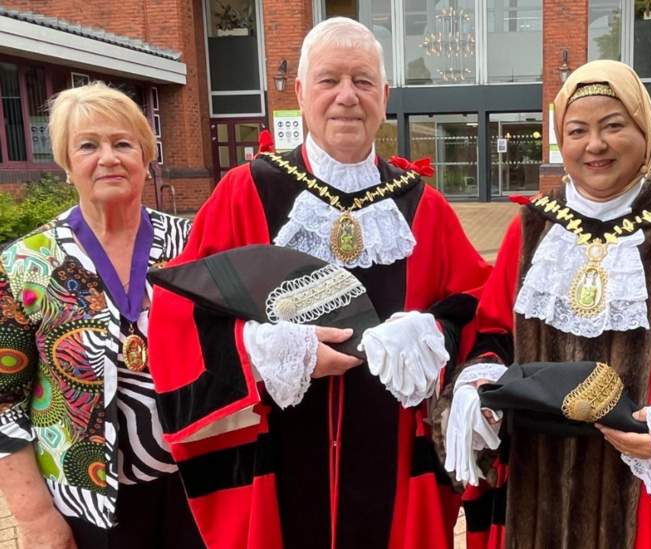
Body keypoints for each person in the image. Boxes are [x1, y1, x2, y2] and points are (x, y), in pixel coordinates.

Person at [147, 17, 492, 549]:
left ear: (385, 95)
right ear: (302, 93)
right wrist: (260, 350)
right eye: (329, 80)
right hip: (278, 464)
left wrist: (436, 335)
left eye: (363, 81)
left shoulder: (425, 206)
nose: (347, 97)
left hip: (394, 469)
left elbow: (479, 307)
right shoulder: (246, 192)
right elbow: (177, 313)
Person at [434, 60, 651, 549]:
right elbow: (493, 334)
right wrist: (478, 384)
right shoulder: (529, 229)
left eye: (614, 125)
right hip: (534, 478)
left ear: (645, 130)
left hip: (644, 492)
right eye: (577, 130)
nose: (595, 144)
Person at [0, 82, 199, 548]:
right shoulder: (26, 266)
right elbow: (3, 403)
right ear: (68, 165)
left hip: (196, 488)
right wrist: (34, 520)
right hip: (84, 507)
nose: (108, 158)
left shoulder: (193, 244)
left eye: (123, 143)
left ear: (146, 158)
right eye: (88, 145)